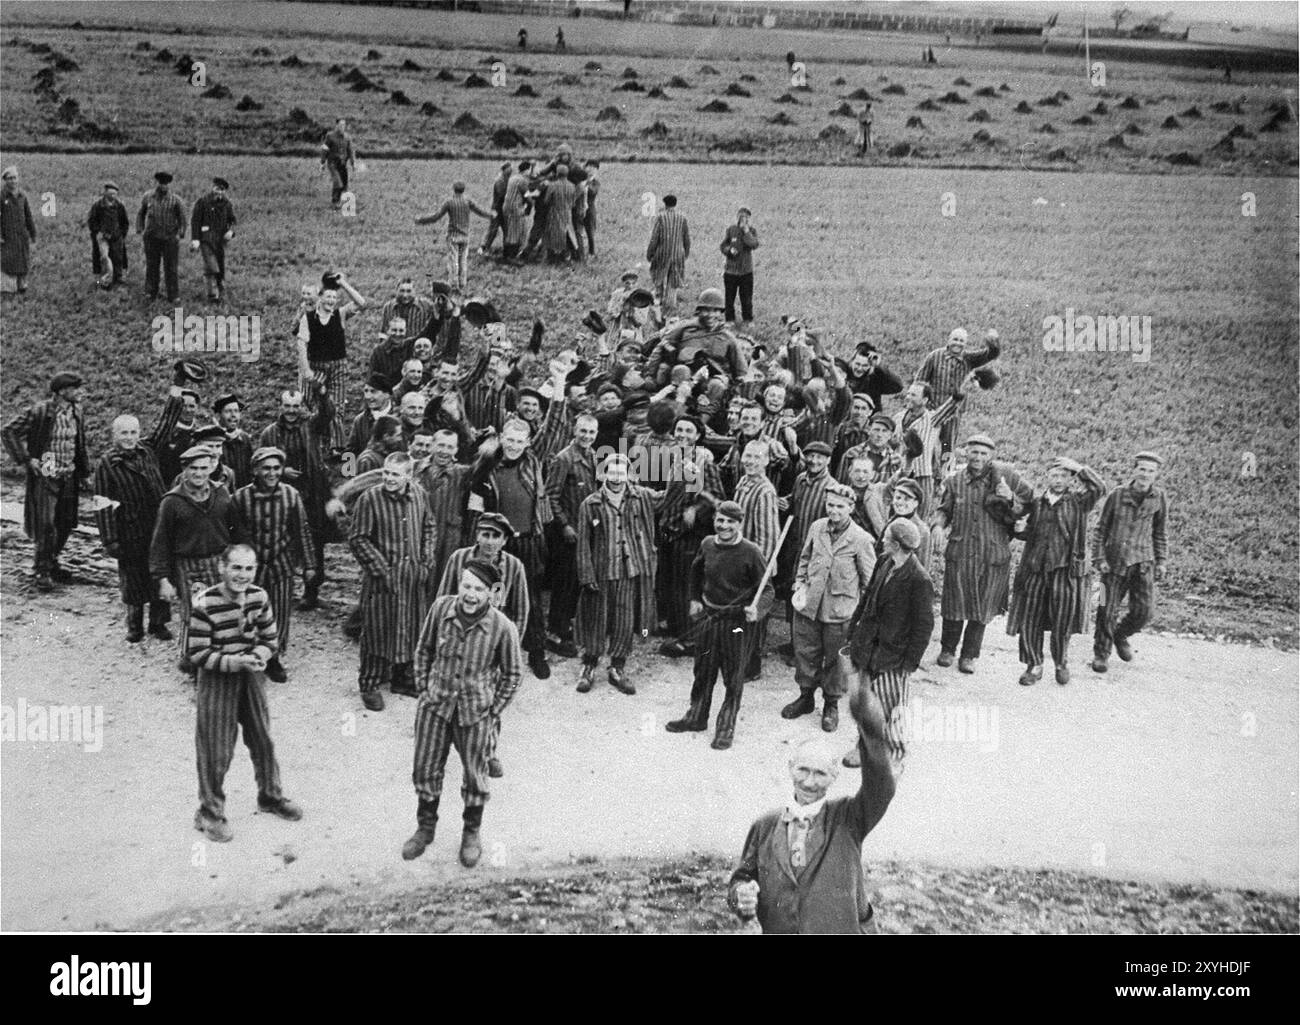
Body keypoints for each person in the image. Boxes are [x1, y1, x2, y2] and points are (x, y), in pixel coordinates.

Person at [727, 686, 896, 933]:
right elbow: (742, 878)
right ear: (790, 768)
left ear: (834, 776)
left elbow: (881, 786)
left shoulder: (849, 819)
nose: (809, 782)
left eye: (820, 774)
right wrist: (741, 895)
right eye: (803, 770)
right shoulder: (764, 825)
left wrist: (871, 729)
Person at [404, 558, 524, 867]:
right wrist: (424, 689)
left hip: (475, 713)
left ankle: (471, 832)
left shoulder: (502, 626)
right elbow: (423, 650)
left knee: (476, 774)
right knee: (425, 767)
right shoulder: (441, 609)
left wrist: (493, 710)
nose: (470, 595)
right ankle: (425, 827)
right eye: (466, 586)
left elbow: (513, 674)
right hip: (435, 707)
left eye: (478, 589)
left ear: (491, 593)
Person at [189, 542, 301, 843]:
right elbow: (197, 654)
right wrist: (233, 662)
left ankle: (270, 796)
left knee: (262, 739)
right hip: (217, 681)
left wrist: (261, 655)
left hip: (251, 676)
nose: (243, 575)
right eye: (236, 567)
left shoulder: (259, 596)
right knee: (216, 748)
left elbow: (270, 638)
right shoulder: (204, 602)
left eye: (249, 568)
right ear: (221, 568)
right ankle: (209, 812)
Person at [665, 500, 765, 748]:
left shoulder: (751, 552)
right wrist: (694, 598)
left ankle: (726, 726)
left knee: (733, 678)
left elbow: (768, 589)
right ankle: (696, 717)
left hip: (737, 622)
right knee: (703, 671)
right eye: (720, 520)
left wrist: (758, 608)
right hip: (709, 618)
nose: (724, 526)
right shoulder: (707, 544)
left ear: (739, 524)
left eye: (730, 522)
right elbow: (695, 572)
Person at [930, 433, 1033, 673]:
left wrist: (1011, 498)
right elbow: (944, 509)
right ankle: (947, 649)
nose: (977, 457)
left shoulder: (1005, 477)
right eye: (973, 452)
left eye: (983, 453)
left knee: (982, 607)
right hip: (961, 551)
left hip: (992, 554)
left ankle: (969, 655)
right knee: (954, 603)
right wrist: (937, 525)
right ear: (965, 453)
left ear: (991, 456)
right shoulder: (955, 482)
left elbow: (1029, 502)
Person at [437, 512, 528, 779]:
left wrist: (509, 648)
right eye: (485, 534)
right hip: (457, 641)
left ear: (504, 540)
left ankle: (487, 752)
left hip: (490, 647)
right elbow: (443, 600)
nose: (489, 542)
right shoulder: (459, 559)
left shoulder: (513, 567)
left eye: (496, 536)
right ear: (476, 535)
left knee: (487, 702)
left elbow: (521, 611)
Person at [349, 451, 438, 711]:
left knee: (410, 628)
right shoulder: (370, 498)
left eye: (395, 474)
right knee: (378, 630)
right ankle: (369, 684)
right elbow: (358, 539)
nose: (389, 478)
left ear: (408, 475)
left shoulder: (419, 494)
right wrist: (381, 570)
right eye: (386, 472)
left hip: (412, 576)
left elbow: (429, 526)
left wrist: (426, 561)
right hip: (382, 580)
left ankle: (401, 678)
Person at [843, 518, 934, 769]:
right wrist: (853, 630)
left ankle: (894, 752)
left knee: (893, 708)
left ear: (896, 544)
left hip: (893, 657)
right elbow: (868, 596)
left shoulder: (919, 580)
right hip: (868, 648)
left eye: (886, 538)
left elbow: (923, 627)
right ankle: (863, 746)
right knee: (865, 703)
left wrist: (909, 664)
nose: (881, 539)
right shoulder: (884, 561)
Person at [1008, 456, 1105, 686]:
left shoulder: (1079, 502)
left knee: (1062, 620)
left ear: (1071, 479)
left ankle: (1061, 663)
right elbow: (1030, 534)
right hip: (1035, 569)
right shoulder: (1038, 503)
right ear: (1047, 477)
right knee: (1030, 619)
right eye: (1054, 475)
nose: (1058, 480)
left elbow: (1099, 488)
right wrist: (1021, 530)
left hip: (1064, 570)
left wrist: (1080, 468)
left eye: (1064, 475)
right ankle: (1034, 665)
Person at [786, 482, 876, 731]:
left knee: (836, 661)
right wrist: (799, 582)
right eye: (830, 505)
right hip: (809, 604)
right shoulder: (817, 528)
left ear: (850, 507)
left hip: (840, 610)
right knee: (805, 652)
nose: (834, 510)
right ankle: (805, 697)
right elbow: (805, 558)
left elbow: (869, 581)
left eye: (840, 506)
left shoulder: (861, 539)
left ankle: (831, 705)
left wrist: (862, 615)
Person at [468, 420, 553, 679]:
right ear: (502, 438)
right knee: (497, 596)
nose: (514, 446)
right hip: (500, 545)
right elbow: (475, 510)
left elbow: (551, 430)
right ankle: (494, 654)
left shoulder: (532, 462)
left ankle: (536, 652)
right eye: (510, 440)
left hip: (528, 541)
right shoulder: (486, 468)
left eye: (520, 441)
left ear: (527, 443)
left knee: (532, 599)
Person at [574, 453, 659, 695]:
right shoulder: (590, 504)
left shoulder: (640, 497)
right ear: (603, 473)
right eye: (612, 471)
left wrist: (682, 474)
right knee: (597, 618)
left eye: (621, 472)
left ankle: (617, 668)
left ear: (628, 475)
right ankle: (589, 666)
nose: (616, 477)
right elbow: (583, 543)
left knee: (624, 619)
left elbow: (665, 503)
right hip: (602, 570)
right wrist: (587, 574)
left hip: (629, 569)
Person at [232, 447, 317, 684]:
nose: (271, 473)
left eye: (276, 468)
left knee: (279, 612)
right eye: (266, 468)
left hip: (281, 564)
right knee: (249, 611)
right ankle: (247, 655)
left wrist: (309, 564)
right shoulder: (240, 498)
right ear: (255, 470)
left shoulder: (291, 495)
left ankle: (273, 658)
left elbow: (301, 531)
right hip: (251, 568)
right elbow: (233, 535)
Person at [149, 446, 237, 673]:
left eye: (204, 468)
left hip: (219, 562)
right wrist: (162, 579)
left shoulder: (221, 493)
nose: (199, 474)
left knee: (223, 610)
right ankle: (192, 660)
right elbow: (160, 543)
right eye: (193, 469)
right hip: (189, 567)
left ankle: (218, 657)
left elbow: (235, 528)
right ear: (184, 470)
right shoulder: (172, 501)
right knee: (195, 614)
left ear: (211, 468)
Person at [3, 372, 90, 592]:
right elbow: (9, 431)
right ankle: (41, 569)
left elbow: (80, 444)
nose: (81, 392)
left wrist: (84, 472)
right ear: (62, 391)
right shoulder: (40, 411)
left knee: (66, 521)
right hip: (47, 466)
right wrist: (26, 458)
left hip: (69, 472)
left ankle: (52, 561)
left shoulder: (77, 412)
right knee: (46, 523)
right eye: (76, 388)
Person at [93, 413, 172, 642]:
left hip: (157, 528)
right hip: (129, 531)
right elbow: (102, 504)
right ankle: (134, 625)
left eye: (134, 432)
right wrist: (110, 539)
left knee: (159, 574)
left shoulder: (147, 451)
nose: (129, 438)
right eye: (124, 433)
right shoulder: (107, 464)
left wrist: (177, 389)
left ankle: (158, 623)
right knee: (133, 580)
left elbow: (165, 427)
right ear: (114, 435)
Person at [258, 387, 337, 609]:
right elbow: (260, 463)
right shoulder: (269, 433)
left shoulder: (310, 426)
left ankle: (311, 591)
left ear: (301, 407)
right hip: (280, 495)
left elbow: (328, 414)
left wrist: (322, 395)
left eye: (296, 406)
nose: (291, 411)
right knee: (280, 541)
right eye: (287, 406)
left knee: (314, 543)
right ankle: (279, 588)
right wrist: (282, 471)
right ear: (280, 407)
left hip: (312, 494)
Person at [1091, 452, 1169, 673]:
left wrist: (1161, 561)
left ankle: (1121, 634)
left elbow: (1160, 532)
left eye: (1150, 471)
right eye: (1142, 469)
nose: (1145, 474)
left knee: (1145, 611)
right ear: (1134, 470)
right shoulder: (1117, 495)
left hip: (1143, 564)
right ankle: (1101, 654)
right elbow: (1100, 529)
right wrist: (1099, 558)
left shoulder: (1159, 497)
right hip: (1112, 565)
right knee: (1106, 608)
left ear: (1156, 474)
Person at [544, 413, 599, 657]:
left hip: (585, 530)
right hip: (567, 534)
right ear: (574, 432)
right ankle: (554, 632)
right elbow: (550, 496)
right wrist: (565, 525)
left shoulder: (593, 456)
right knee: (564, 583)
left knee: (577, 581)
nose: (587, 436)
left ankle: (565, 625)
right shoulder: (564, 458)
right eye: (583, 431)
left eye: (591, 432)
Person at [295, 273, 368, 433]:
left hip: (338, 366)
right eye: (328, 296)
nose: (331, 300)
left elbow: (362, 304)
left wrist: (343, 284)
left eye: (334, 298)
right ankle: (314, 435)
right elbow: (301, 344)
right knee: (311, 403)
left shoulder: (340, 314)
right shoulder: (308, 317)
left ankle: (337, 447)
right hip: (316, 366)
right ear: (320, 297)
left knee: (337, 407)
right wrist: (306, 369)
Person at [913, 327, 1000, 456]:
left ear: (965, 344)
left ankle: (945, 472)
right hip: (932, 411)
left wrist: (993, 341)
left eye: (961, 341)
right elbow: (920, 381)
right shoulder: (934, 356)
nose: (958, 343)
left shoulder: (969, 358)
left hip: (953, 412)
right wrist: (918, 403)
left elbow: (990, 355)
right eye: (955, 339)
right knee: (926, 442)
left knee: (947, 446)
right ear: (948, 340)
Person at [416, 181, 492, 294]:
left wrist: (421, 220)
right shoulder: (468, 201)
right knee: (463, 261)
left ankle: (453, 284)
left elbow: (436, 216)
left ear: (453, 189)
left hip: (453, 236)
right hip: (465, 236)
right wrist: (491, 215)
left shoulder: (449, 202)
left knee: (453, 261)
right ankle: (462, 283)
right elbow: (480, 211)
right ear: (464, 190)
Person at [137, 171, 186, 303]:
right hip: (151, 237)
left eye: (165, 183)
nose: (162, 186)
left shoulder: (176, 200)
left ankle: (173, 295)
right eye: (160, 183)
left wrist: (181, 232)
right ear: (157, 183)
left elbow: (182, 218)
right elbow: (141, 214)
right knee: (152, 266)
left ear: (168, 184)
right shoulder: (148, 197)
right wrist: (140, 228)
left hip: (169, 238)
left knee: (171, 267)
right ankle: (150, 292)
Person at [190, 177, 236, 301]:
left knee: (219, 265)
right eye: (217, 189)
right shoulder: (203, 202)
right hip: (206, 239)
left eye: (222, 190)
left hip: (220, 240)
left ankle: (216, 292)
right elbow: (195, 221)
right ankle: (214, 292)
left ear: (224, 191)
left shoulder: (227, 203)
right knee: (212, 266)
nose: (219, 192)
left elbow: (232, 220)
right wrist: (195, 239)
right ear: (212, 187)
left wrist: (231, 231)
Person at [646, 193, 690, 317]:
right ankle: (671, 303)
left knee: (658, 275)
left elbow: (655, 238)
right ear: (675, 204)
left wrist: (650, 253)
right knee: (674, 278)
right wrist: (685, 253)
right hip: (678, 254)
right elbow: (686, 237)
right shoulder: (682, 217)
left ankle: (658, 298)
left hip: (662, 253)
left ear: (665, 204)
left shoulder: (660, 217)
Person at [720, 207, 760, 325]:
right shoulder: (731, 230)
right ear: (737, 217)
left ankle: (747, 319)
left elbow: (754, 244)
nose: (743, 220)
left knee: (746, 298)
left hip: (746, 271)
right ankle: (729, 319)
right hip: (731, 271)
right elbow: (723, 246)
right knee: (729, 298)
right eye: (741, 217)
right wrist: (729, 250)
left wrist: (746, 231)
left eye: (746, 218)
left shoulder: (752, 231)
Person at [1, 166, 36, 294]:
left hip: (21, 234)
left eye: (15, 178)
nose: (13, 181)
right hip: (7, 235)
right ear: (5, 180)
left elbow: (28, 215)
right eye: (10, 178)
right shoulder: (2, 196)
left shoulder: (22, 196)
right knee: (8, 260)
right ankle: (7, 288)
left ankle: (22, 285)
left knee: (22, 259)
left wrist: (33, 233)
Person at [87, 180, 129, 290]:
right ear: (105, 193)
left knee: (118, 258)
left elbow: (124, 222)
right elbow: (92, 221)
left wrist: (121, 234)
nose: (113, 196)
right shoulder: (98, 205)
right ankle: (103, 280)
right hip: (102, 237)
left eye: (114, 194)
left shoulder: (119, 206)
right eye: (110, 194)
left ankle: (118, 279)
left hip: (116, 236)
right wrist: (99, 232)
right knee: (103, 257)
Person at [538, 166, 579, 264]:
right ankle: (566, 256)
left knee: (553, 234)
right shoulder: (572, 186)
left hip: (554, 212)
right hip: (567, 213)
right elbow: (573, 203)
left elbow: (546, 200)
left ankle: (553, 257)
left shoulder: (553, 185)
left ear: (557, 173)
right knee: (567, 234)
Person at [212, 394, 253, 489]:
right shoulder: (213, 438)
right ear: (219, 415)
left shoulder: (244, 438)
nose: (233, 415)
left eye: (236, 411)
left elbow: (250, 469)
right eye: (228, 411)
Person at [321, 118, 356, 209]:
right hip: (332, 163)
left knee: (344, 186)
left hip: (343, 164)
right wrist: (322, 162)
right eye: (340, 125)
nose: (342, 127)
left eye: (344, 125)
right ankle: (335, 202)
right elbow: (325, 149)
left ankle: (338, 202)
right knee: (338, 182)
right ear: (336, 126)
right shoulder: (330, 136)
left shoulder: (347, 137)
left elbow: (350, 151)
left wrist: (353, 163)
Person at [501, 161, 533, 261]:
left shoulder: (513, 178)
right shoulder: (522, 180)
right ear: (527, 170)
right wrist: (530, 206)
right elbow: (528, 196)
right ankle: (512, 256)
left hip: (506, 207)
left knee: (510, 231)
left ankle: (505, 254)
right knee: (517, 232)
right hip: (515, 208)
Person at [479, 162, 513, 256]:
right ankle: (484, 248)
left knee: (507, 229)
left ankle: (507, 249)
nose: (511, 171)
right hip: (497, 208)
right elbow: (501, 194)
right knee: (493, 230)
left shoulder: (507, 179)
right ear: (504, 169)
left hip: (503, 209)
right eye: (509, 169)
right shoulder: (500, 180)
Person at [580, 159, 600, 257]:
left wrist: (587, 184)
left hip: (590, 209)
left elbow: (593, 192)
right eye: (589, 167)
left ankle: (592, 252)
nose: (591, 169)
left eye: (594, 168)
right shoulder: (580, 179)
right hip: (579, 208)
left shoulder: (595, 182)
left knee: (590, 232)